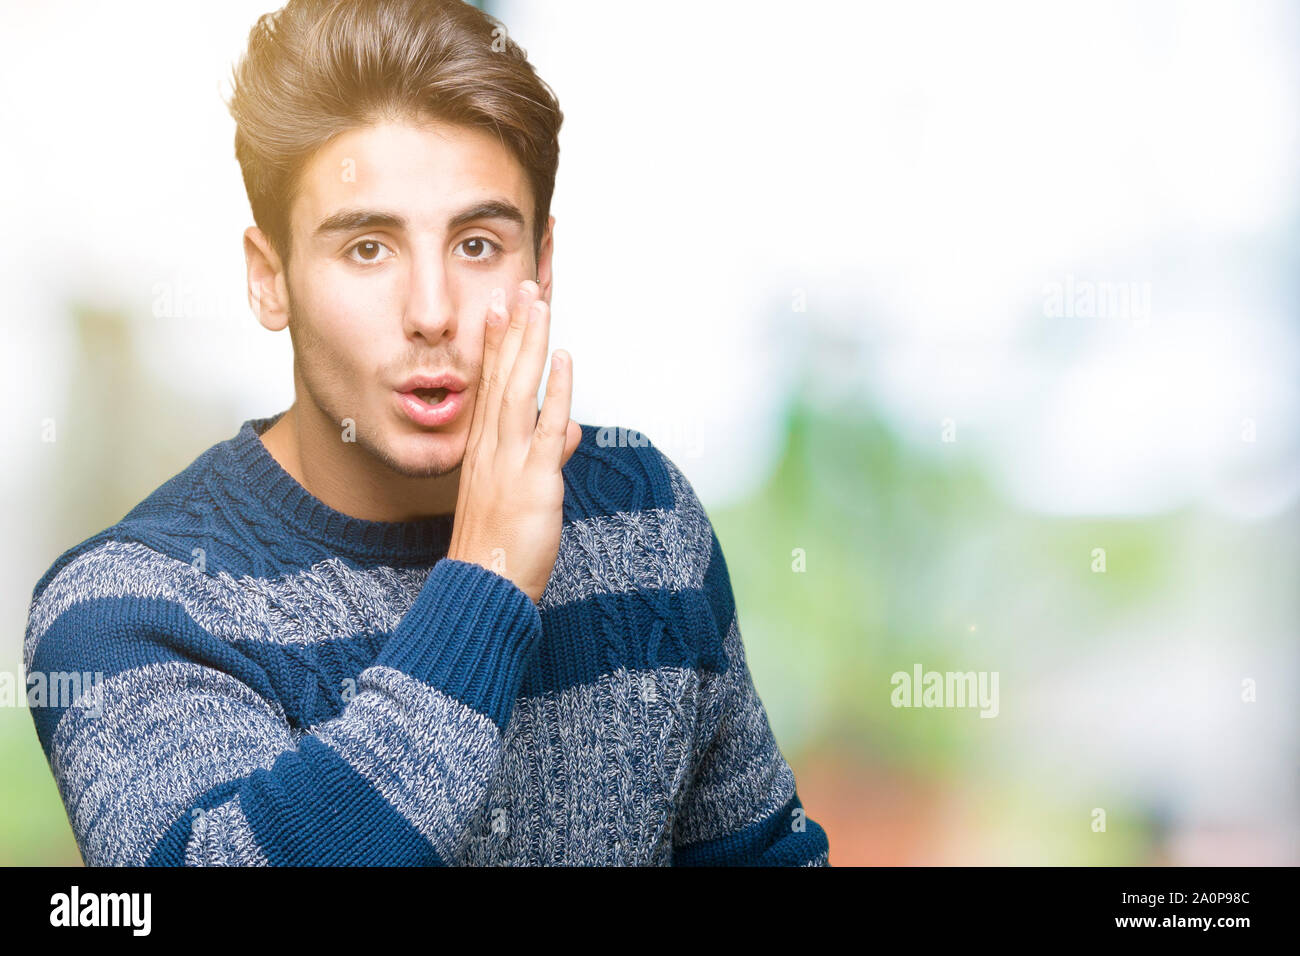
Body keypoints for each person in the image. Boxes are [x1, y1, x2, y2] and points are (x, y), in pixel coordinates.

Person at [23, 0, 831, 866]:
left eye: (478, 245)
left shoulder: (644, 517)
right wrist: (487, 582)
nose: (432, 312)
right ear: (270, 279)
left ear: (541, 264)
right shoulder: (130, 607)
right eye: (367, 248)